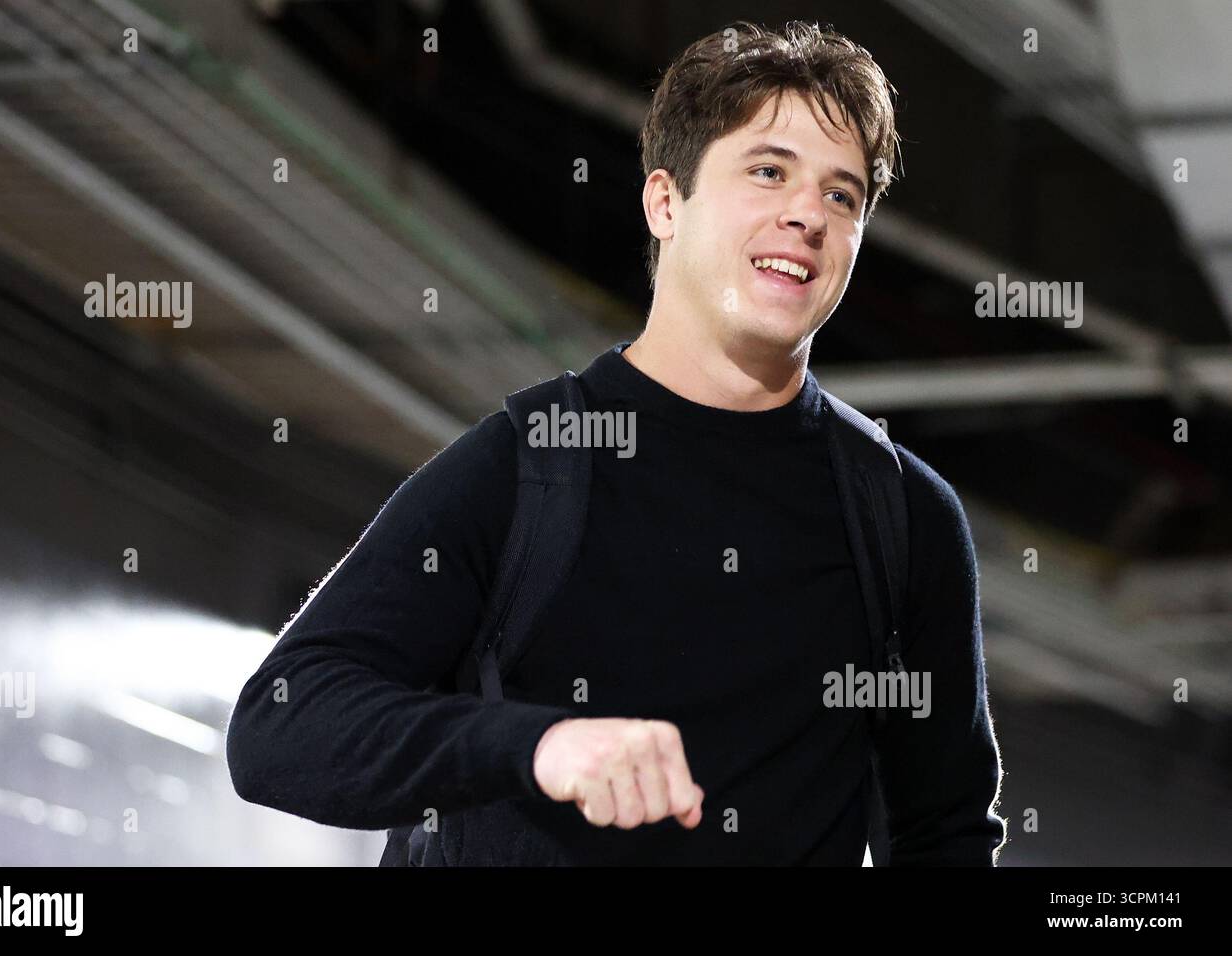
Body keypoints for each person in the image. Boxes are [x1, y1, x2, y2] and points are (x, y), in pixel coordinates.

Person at [226, 19, 1007, 866]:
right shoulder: (529, 469)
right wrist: (535, 747)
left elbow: (946, 833)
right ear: (665, 202)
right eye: (769, 171)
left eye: (841, 195)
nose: (806, 216)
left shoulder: (903, 518)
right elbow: (280, 725)